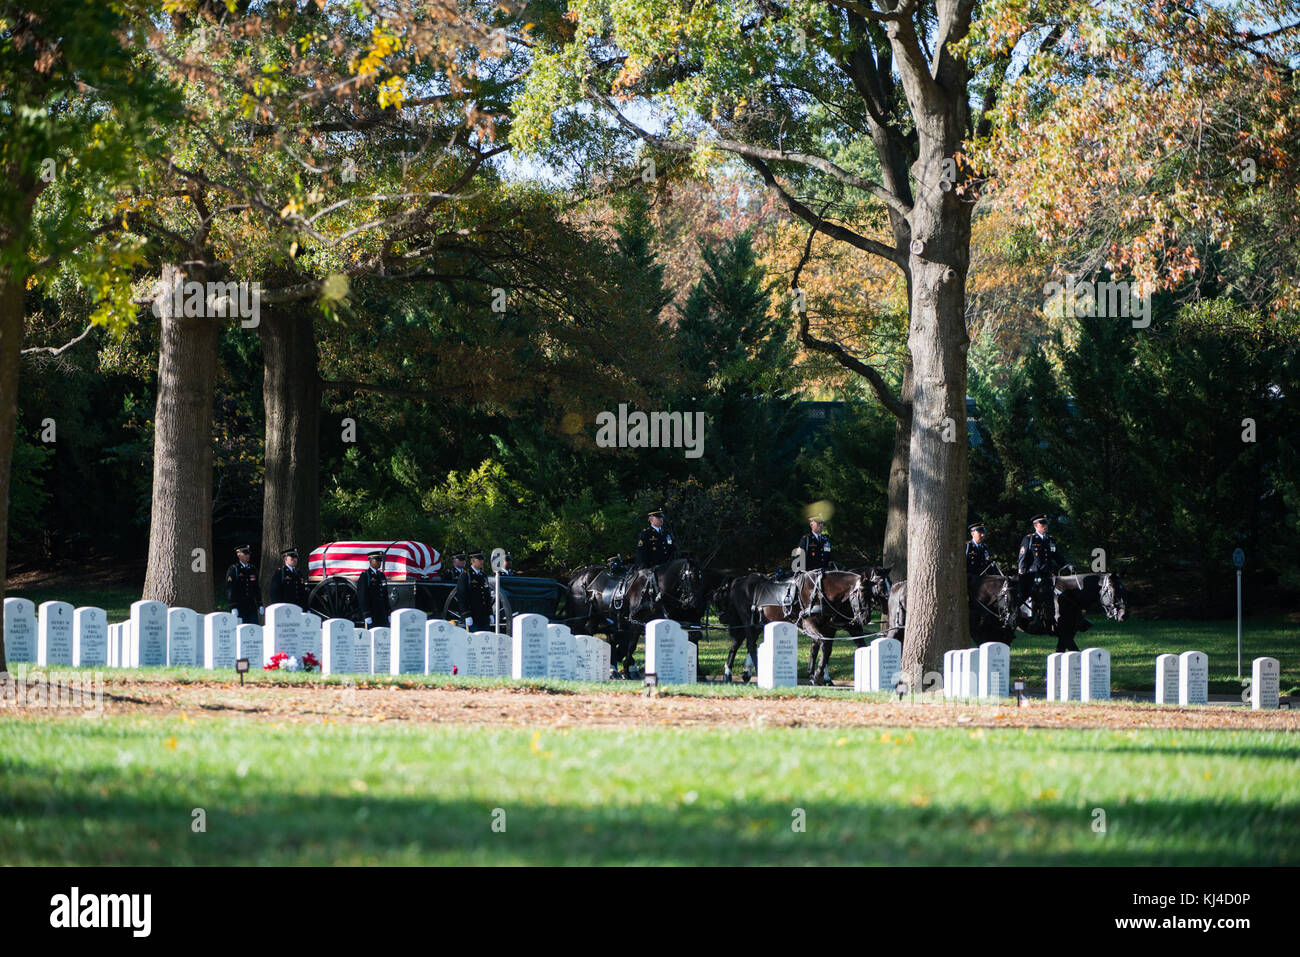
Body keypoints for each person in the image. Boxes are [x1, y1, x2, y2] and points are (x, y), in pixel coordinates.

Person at [1017, 515, 1069, 628]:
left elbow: (1056, 555)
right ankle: (1032, 620)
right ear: (1036, 526)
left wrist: (1066, 565)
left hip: (1046, 574)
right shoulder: (1029, 539)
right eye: (1042, 524)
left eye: (1046, 524)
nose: (1045, 526)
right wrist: (1022, 574)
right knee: (1033, 597)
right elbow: (1023, 558)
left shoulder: (1050, 539)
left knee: (1049, 598)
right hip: (1033, 575)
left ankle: (1049, 621)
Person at [456, 549, 493, 630]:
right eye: (479, 559)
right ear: (472, 560)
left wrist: (490, 613)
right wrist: (466, 615)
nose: (482, 561)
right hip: (472, 617)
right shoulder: (466, 575)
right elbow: (462, 596)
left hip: (484, 617)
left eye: (482, 559)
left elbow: (487, 596)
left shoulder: (483, 575)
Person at [224, 544, 261, 624]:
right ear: (239, 554)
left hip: (251, 607)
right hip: (239, 607)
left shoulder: (252, 569)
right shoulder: (234, 569)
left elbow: (256, 588)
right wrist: (232, 606)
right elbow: (230, 589)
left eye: (248, 554)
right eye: (245, 554)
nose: (248, 556)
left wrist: (260, 603)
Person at [356, 549, 391, 629]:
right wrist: (366, 614)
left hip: (382, 613)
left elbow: (385, 595)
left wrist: (388, 612)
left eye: (380, 560)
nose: (379, 562)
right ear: (371, 561)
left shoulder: (381, 575)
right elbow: (362, 596)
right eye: (377, 560)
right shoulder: (365, 575)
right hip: (372, 613)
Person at [269, 546, 310, 610]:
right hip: (285, 609)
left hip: (298, 608)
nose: (295, 559)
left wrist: (306, 608)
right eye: (292, 557)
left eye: (296, 557)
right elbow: (275, 593)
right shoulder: (280, 573)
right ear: (285, 559)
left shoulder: (299, 573)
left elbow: (303, 593)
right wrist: (278, 609)